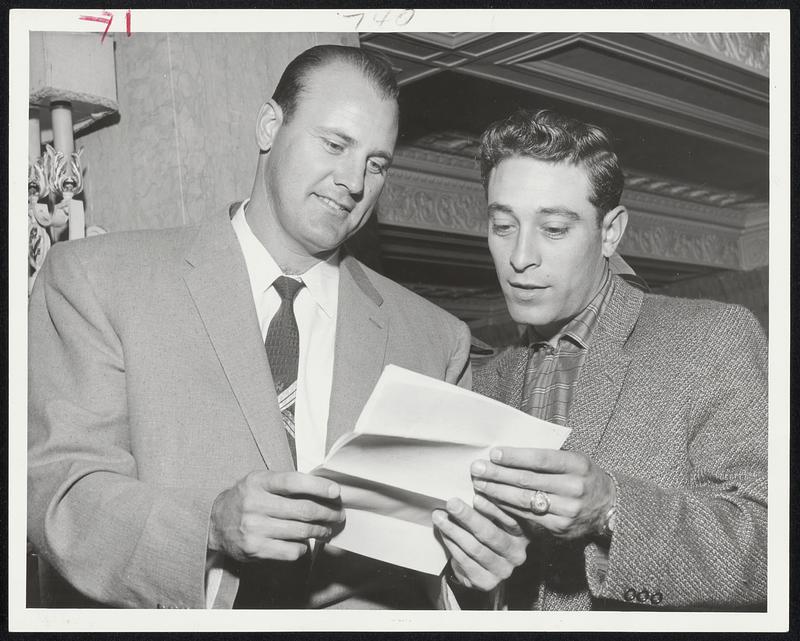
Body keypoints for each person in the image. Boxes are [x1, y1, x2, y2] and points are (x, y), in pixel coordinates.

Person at [27, 44, 525, 609]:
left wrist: (478, 572)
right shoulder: (98, 280)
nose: (353, 181)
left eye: (376, 163)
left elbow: (440, 567)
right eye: (335, 144)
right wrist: (209, 528)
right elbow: (61, 495)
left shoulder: (435, 339)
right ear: (269, 125)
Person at [449, 108, 768, 610]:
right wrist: (470, 578)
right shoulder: (483, 382)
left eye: (553, 228)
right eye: (503, 224)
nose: (519, 257)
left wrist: (613, 508)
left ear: (612, 232)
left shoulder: (712, 339)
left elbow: (771, 549)